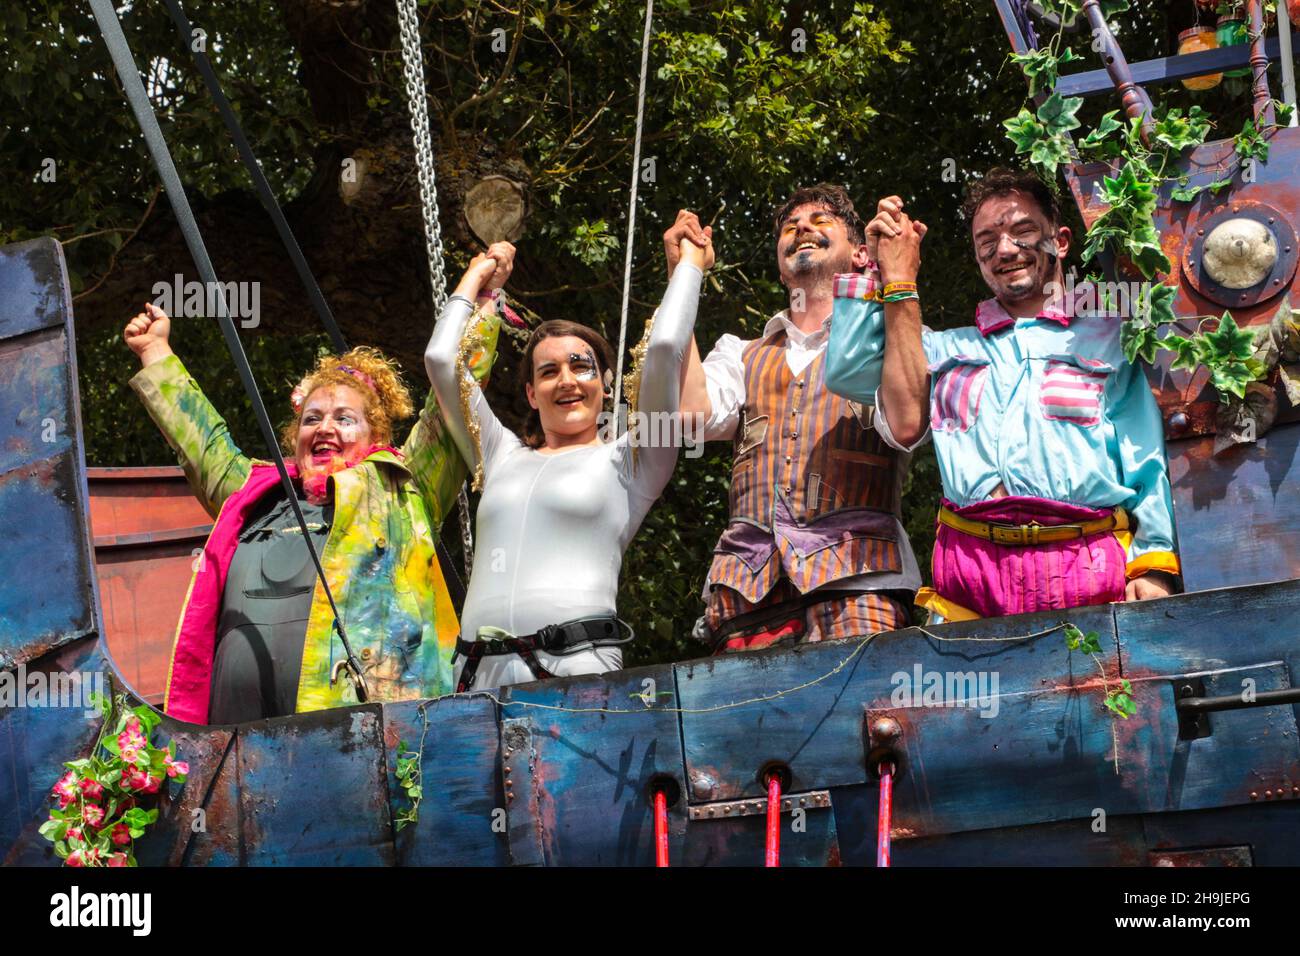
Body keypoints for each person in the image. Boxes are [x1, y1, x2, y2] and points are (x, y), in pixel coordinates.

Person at [826, 167, 1180, 622]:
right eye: (987, 241)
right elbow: (849, 370)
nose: (1005, 250)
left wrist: (1153, 566)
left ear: (1062, 241)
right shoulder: (945, 348)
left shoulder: (1114, 338)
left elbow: (1146, 458)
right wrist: (883, 271)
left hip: (1091, 571)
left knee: (1101, 690)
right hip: (969, 588)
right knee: (971, 695)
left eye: (1023, 231)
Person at [122, 300, 500, 724]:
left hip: (365, 733)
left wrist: (482, 310)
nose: (325, 429)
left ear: (375, 435)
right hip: (233, 737)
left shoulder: (401, 487)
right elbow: (200, 441)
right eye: (312, 419)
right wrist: (155, 351)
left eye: (344, 419)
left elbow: (448, 404)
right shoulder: (251, 492)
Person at [425, 236, 708, 691]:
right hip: (474, 678)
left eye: (581, 366)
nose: (567, 381)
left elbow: (664, 348)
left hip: (577, 668)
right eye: (548, 371)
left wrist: (690, 265)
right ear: (531, 394)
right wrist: (483, 279)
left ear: (606, 384)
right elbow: (441, 359)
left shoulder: (633, 457)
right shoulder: (499, 454)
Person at [671, 185, 930, 653]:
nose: (802, 229)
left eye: (820, 221)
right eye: (790, 227)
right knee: (745, 727)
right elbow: (692, 417)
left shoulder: (898, 336)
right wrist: (683, 278)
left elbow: (909, 422)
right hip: (748, 592)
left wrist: (895, 277)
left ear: (858, 252)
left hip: (859, 582)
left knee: (864, 721)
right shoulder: (742, 352)